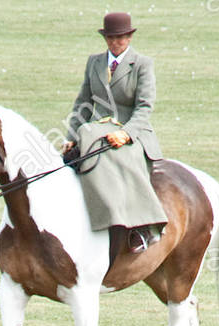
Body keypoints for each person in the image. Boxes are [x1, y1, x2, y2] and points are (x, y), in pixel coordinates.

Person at [61, 11, 165, 252]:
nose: (115, 43)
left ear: (129, 38)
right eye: (110, 38)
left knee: (123, 162)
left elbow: (144, 106)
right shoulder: (94, 62)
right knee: (69, 163)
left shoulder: (142, 64)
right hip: (96, 132)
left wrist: (127, 133)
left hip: (132, 131)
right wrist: (70, 137)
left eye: (120, 38)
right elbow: (83, 103)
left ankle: (142, 228)